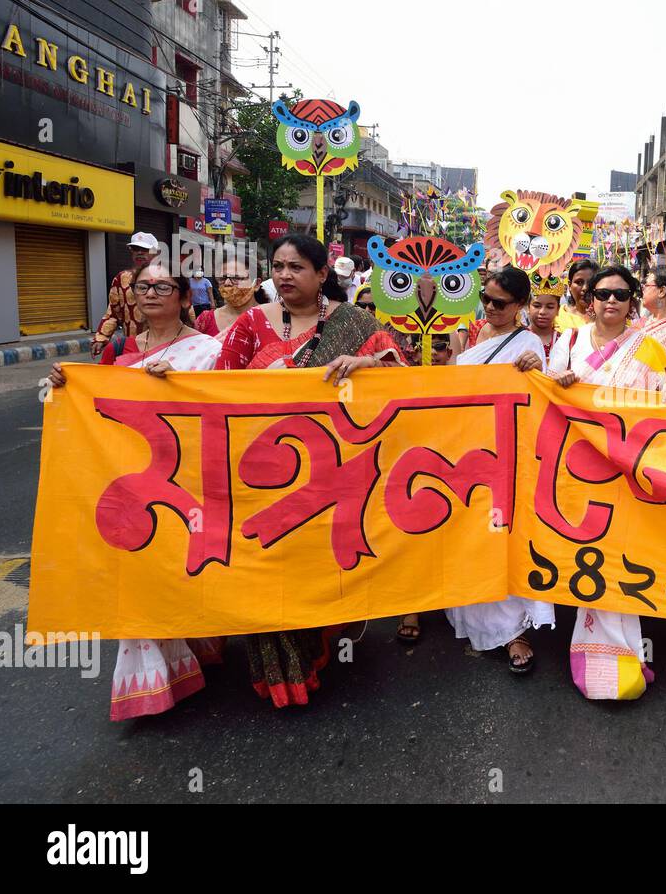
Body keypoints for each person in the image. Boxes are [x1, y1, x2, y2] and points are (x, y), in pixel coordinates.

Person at [215, 235, 404, 708]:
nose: (283, 275)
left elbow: (407, 384)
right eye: (277, 266)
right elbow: (211, 388)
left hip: (326, 479)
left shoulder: (356, 323)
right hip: (256, 474)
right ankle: (277, 672)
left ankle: (314, 647)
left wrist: (367, 364)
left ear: (322, 274)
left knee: (313, 572)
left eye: (296, 267)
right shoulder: (251, 326)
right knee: (265, 570)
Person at [49, 259, 224, 720]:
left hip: (186, 479)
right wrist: (67, 386)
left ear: (186, 297)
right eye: (143, 286)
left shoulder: (207, 351)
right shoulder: (123, 347)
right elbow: (100, 400)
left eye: (163, 286)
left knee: (179, 568)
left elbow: (225, 406)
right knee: (139, 570)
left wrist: (181, 388)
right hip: (129, 477)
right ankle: (157, 674)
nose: (150, 294)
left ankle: (193, 641)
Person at [413, 267, 558, 669]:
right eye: (487, 299)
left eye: (501, 303)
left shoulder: (529, 343)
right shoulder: (471, 332)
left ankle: (513, 632)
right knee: (468, 535)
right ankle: (471, 612)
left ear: (520, 306)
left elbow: (535, 398)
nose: (491, 308)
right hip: (464, 449)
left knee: (504, 538)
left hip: (507, 455)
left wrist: (536, 369)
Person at [547, 265, 666, 700]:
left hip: (630, 469)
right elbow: (545, 398)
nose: (611, 301)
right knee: (590, 557)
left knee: (622, 559)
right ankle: (593, 660)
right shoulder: (569, 342)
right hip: (580, 468)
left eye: (621, 294)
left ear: (632, 299)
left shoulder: (650, 349)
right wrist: (558, 382)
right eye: (603, 293)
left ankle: (626, 659)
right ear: (591, 299)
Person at [91, 232, 160, 356]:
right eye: (135, 249)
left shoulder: (168, 278)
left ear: (156, 252)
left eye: (145, 249)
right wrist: (101, 337)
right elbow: (113, 312)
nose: (139, 253)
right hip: (132, 348)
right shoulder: (121, 279)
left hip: (164, 346)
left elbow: (185, 312)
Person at [354, 286, 421, 365]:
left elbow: (403, 364)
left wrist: (374, 363)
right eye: (361, 305)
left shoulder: (395, 331)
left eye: (372, 306)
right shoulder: (349, 330)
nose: (367, 310)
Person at [195, 260, 262, 339]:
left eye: (236, 278)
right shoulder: (204, 321)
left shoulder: (271, 317)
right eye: (223, 278)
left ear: (256, 284)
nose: (227, 283)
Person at [526, 275, 563, 362]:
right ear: (528, 307)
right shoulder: (518, 338)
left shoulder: (564, 340)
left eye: (550, 307)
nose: (542, 312)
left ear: (558, 309)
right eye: (537, 306)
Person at [555, 259, 597, 332]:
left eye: (591, 282)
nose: (585, 288)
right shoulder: (558, 315)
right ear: (569, 285)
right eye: (579, 282)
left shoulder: (609, 316)